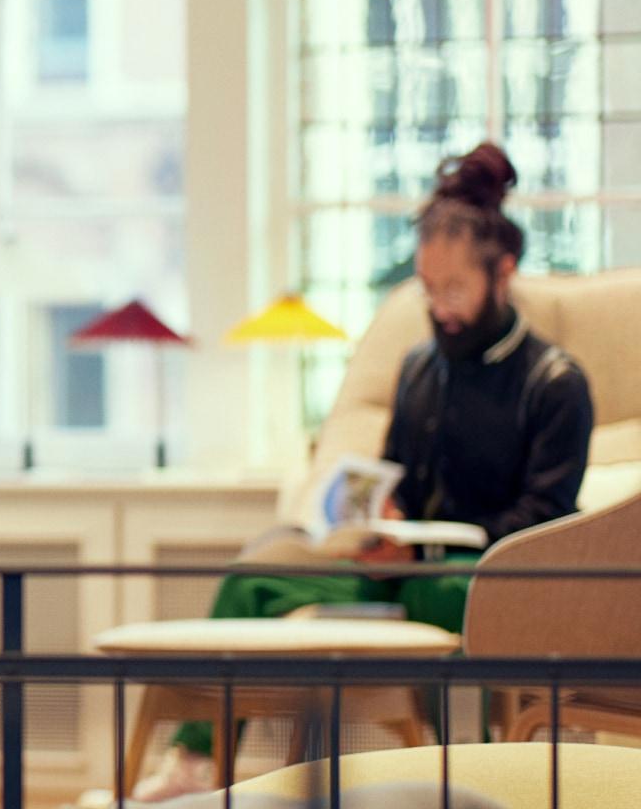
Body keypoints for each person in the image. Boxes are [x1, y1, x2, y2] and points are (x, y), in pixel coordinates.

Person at [131, 142, 594, 801]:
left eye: (456, 288)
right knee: (255, 579)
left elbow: (545, 522)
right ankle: (195, 769)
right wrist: (382, 527)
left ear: (504, 271)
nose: (441, 309)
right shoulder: (419, 369)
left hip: (487, 580)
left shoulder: (556, 383)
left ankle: (467, 776)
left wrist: (430, 545)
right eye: (430, 290)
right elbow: (399, 480)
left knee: (460, 589)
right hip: (404, 574)